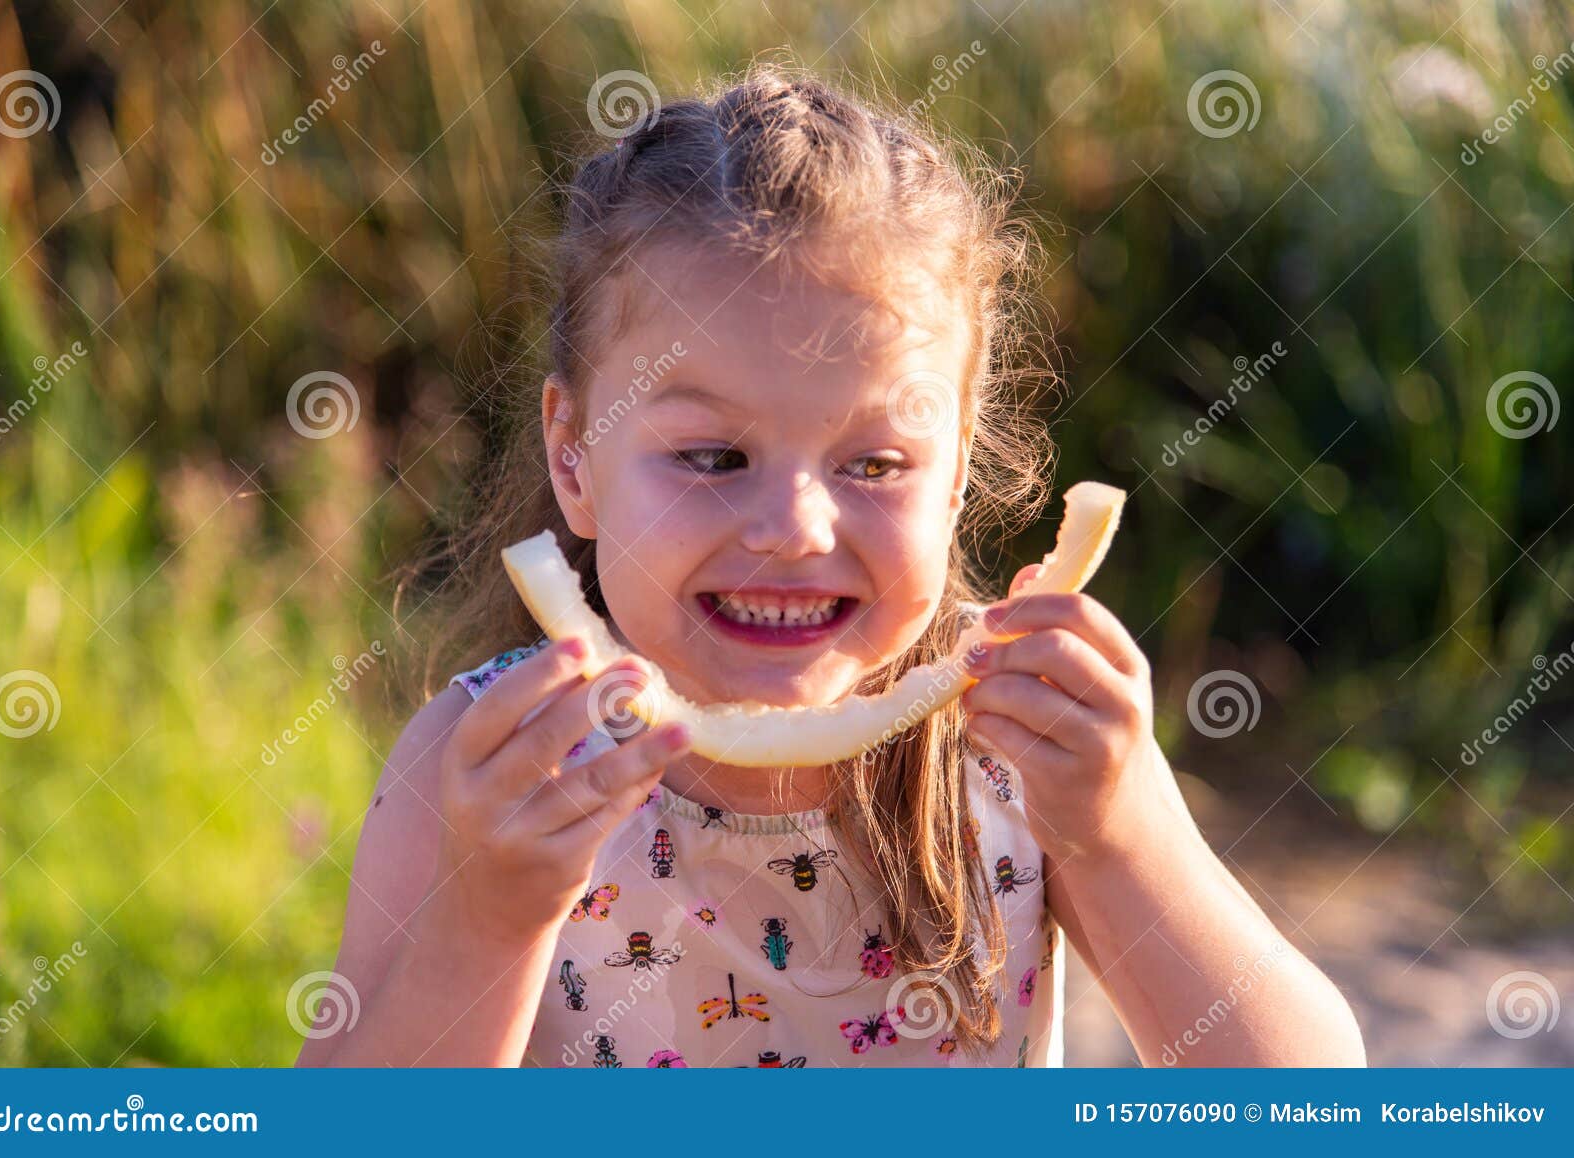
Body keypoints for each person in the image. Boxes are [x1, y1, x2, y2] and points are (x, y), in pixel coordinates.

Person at [297, 62, 1364, 1069]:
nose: (796, 527)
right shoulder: (486, 768)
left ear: (953, 477)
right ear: (573, 457)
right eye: (713, 457)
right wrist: (485, 921)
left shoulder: (1016, 756)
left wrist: (1123, 831)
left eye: (874, 463)